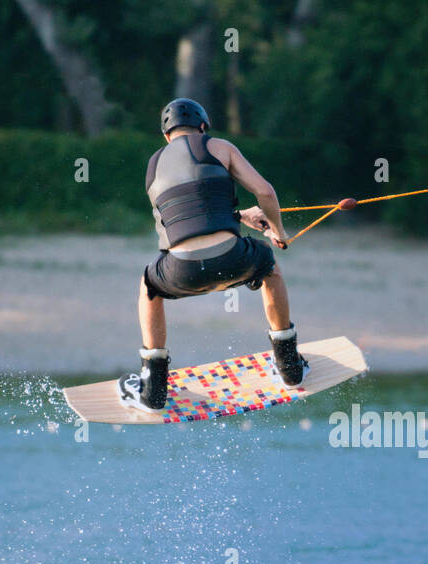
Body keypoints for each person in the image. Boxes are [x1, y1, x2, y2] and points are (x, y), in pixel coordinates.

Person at [119, 97, 307, 411]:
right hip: (233, 260)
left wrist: (239, 216)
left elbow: (190, 214)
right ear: (203, 127)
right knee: (269, 269)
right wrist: (277, 230)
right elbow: (265, 192)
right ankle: (289, 368)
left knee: (149, 287)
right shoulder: (220, 147)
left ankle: (153, 389)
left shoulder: (153, 165)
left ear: (166, 136)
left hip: (182, 272)